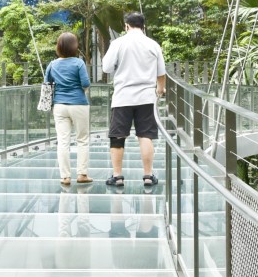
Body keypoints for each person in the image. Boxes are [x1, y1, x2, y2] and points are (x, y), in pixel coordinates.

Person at [101, 11, 167, 188]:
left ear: (126, 25)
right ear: (143, 26)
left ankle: (117, 176)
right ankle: (147, 175)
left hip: (123, 96)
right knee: (145, 135)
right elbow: (161, 73)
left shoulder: (118, 43)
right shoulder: (152, 44)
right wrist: (160, 89)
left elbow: (106, 68)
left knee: (117, 137)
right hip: (146, 96)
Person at [44, 31, 92, 186]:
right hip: (78, 104)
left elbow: (47, 84)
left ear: (58, 47)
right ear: (75, 46)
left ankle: (65, 177)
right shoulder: (79, 63)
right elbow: (85, 83)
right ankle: (82, 174)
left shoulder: (52, 64)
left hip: (59, 106)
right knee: (82, 139)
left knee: (63, 141)